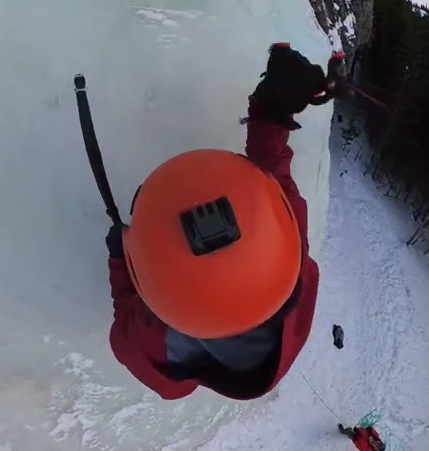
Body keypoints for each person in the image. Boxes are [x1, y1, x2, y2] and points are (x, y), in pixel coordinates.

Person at [105, 43, 346, 400]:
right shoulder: (285, 250)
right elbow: (270, 175)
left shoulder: (149, 353)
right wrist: (271, 111)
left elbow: (127, 307)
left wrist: (119, 261)